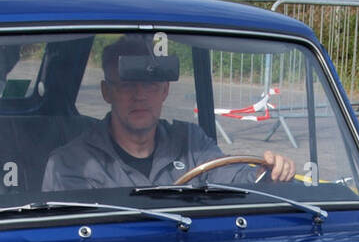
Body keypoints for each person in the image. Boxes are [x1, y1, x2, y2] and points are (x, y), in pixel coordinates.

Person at [43, 35, 295, 192]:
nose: (140, 95)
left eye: (150, 84)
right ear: (107, 92)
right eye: (127, 84)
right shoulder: (71, 163)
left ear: (164, 90)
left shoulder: (190, 142)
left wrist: (268, 175)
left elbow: (232, 178)